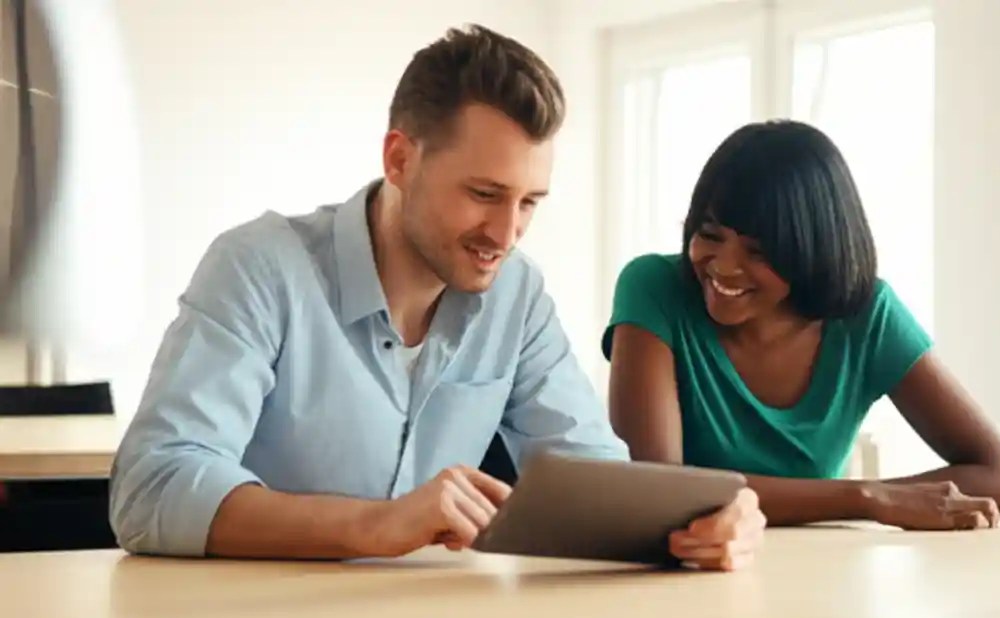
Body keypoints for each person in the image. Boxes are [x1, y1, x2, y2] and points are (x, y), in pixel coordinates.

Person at [110, 25, 763, 569]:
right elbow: (152, 490)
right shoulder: (260, 267)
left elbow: (594, 479)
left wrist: (707, 518)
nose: (506, 235)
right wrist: (376, 526)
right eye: (484, 195)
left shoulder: (519, 294)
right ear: (399, 159)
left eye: (529, 202)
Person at [604, 120, 1000, 531]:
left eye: (758, 251)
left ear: (814, 253)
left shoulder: (866, 315)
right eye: (711, 235)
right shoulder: (654, 288)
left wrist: (869, 498)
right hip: (684, 575)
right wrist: (865, 498)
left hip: (818, 577)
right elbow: (657, 489)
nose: (724, 267)